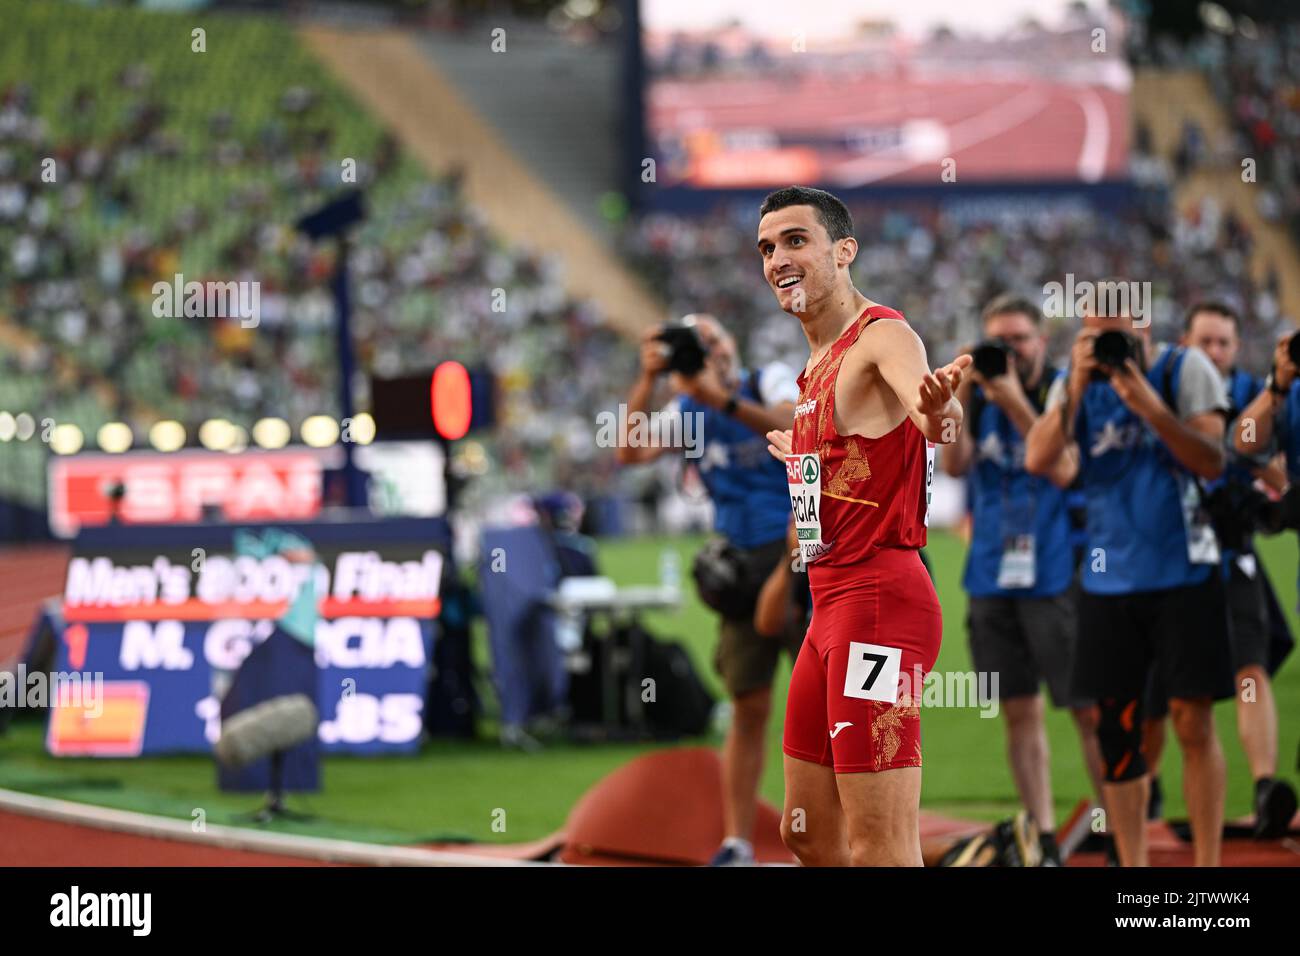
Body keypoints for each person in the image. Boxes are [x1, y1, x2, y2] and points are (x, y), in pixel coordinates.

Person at [756, 185, 971, 866]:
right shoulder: (814, 369)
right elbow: (856, 470)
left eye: (796, 240)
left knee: (880, 838)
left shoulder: (883, 336)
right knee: (806, 831)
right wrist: (807, 464)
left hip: (881, 606)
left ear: (843, 251)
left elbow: (927, 414)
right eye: (766, 248)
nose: (778, 258)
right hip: (828, 610)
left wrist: (938, 413)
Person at [1024, 307, 1234, 867]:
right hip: (1108, 579)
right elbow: (1040, 459)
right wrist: (1073, 388)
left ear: (1145, 327)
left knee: (1193, 720)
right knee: (1118, 733)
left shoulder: (1184, 369)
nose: (1111, 343)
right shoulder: (1076, 384)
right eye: (1098, 334)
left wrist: (1147, 404)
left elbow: (1213, 460)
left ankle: (1208, 867)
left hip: (1184, 572)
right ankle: (1134, 868)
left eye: (1121, 332)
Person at [615, 314, 800, 866]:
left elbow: (791, 428)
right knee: (748, 702)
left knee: (821, 699)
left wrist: (716, 398)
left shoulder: (768, 379)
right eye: (698, 347)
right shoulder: (686, 408)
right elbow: (629, 452)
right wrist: (647, 381)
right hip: (741, 565)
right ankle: (738, 839)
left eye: (715, 339)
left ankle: (826, 830)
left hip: (798, 550)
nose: (710, 352)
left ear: (733, 344)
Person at [942, 294, 1105, 865]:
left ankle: (1116, 828)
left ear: (1041, 341)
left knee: (1086, 707)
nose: (1008, 351)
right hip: (989, 575)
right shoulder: (980, 398)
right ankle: (1043, 836)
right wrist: (964, 388)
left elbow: (1063, 467)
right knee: (1017, 708)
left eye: (1019, 339)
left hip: (1055, 574)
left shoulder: (1064, 390)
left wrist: (1009, 395)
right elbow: (954, 464)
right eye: (997, 341)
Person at [1228, 327, 1300, 837]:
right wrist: (1278, 383)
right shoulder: (1286, 393)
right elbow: (1245, 443)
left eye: (1222, 341)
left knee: (1250, 669)